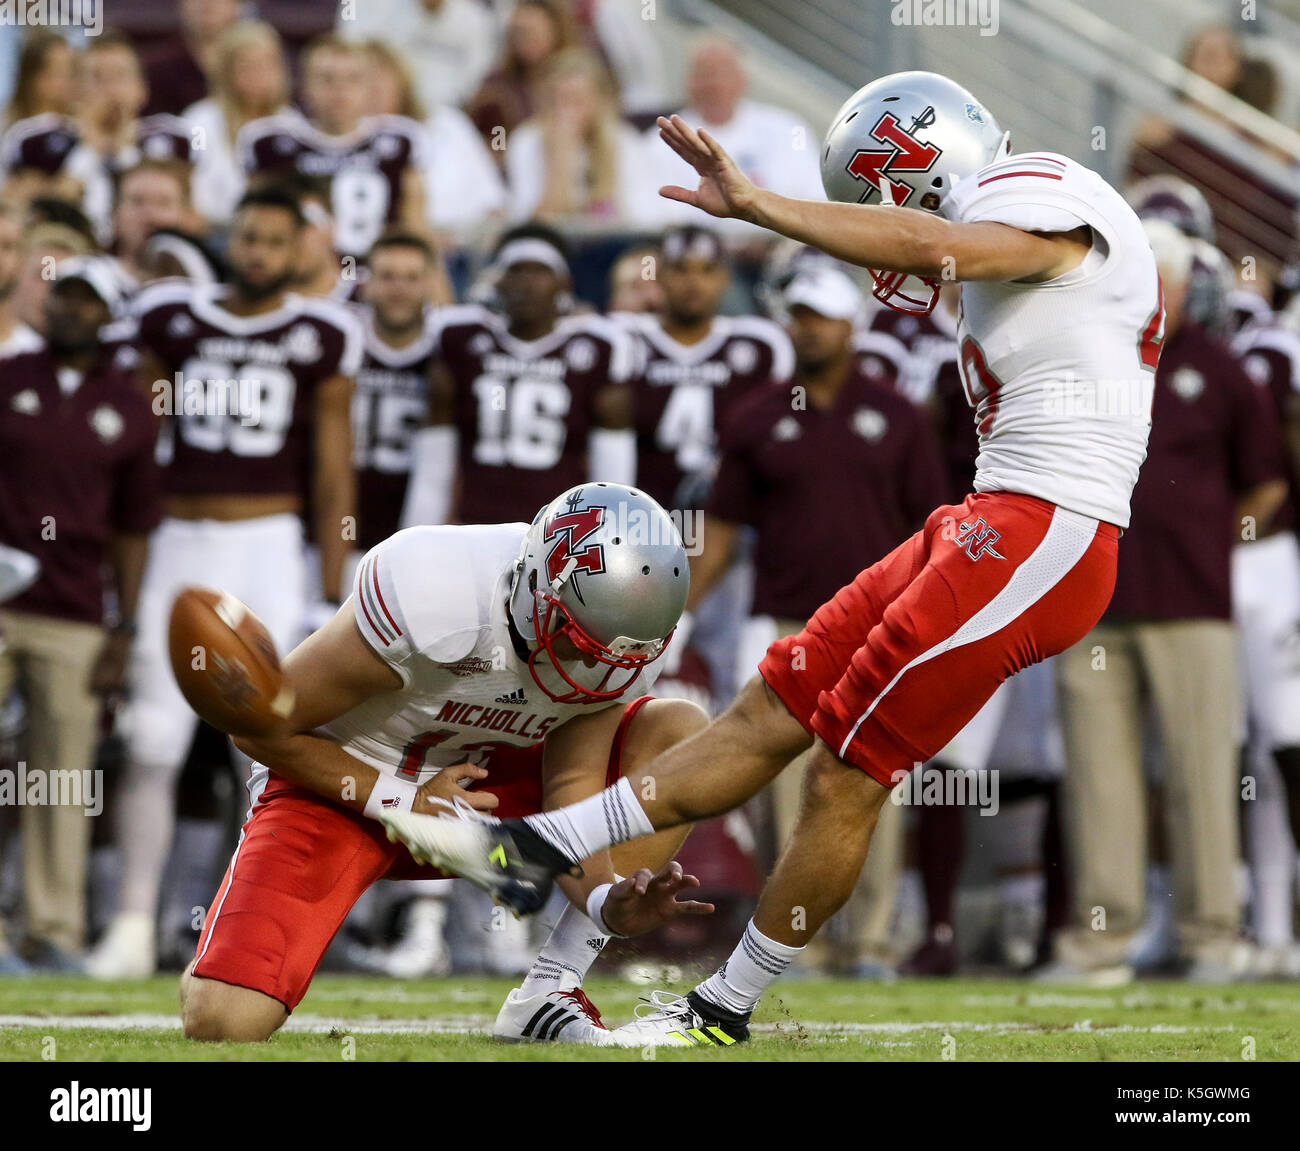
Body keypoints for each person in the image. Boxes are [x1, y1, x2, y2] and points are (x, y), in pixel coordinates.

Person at [382, 70, 1164, 1045]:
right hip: (984, 518)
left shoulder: (1031, 195)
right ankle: (543, 901)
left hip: (1043, 530)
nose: (868, 225)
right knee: (770, 704)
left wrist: (762, 205)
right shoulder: (1020, 203)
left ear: (922, 167)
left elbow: (932, 241)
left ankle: (720, 1006)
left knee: (848, 769)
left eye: (872, 195)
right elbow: (932, 242)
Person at [180, 483, 710, 1044]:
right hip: (339, 787)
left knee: (678, 736)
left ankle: (551, 988)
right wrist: (400, 798)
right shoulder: (434, 589)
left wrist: (606, 903)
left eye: (614, 651)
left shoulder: (616, 646)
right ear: (537, 587)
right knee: (224, 1022)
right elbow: (259, 727)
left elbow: (572, 784)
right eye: (579, 639)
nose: (592, 666)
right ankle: (225, 951)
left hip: (479, 791)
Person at [85, 187, 363, 979]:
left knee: (269, 745)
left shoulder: (322, 331)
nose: (257, 253)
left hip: (270, 541)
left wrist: (326, 582)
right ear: (227, 238)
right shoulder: (173, 315)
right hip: (177, 534)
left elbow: (332, 469)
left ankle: (252, 933)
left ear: (301, 248)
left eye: (274, 240)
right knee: (152, 737)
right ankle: (136, 921)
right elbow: (136, 444)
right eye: (247, 236)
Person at [1046, 219, 1286, 984]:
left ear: (1183, 289)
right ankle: (1102, 940)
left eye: (1158, 281)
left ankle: (1211, 934)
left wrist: (1217, 540)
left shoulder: (1218, 369)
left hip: (1190, 602)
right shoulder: (1081, 359)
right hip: (1092, 605)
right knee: (1099, 777)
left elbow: (1267, 476)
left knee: (1201, 774)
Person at [0, 258, 160, 973]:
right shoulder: (8, 377)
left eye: (86, 299)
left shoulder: (128, 408)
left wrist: (122, 626)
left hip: (73, 610)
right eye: (63, 294)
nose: (70, 309)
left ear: (109, 315)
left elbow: (134, 527)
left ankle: (53, 928)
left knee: (62, 775)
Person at [401, 224, 635, 527]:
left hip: (558, 538)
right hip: (475, 531)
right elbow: (432, 474)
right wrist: (415, 542)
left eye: (539, 272)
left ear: (563, 284)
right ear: (498, 282)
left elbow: (613, 485)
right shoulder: (461, 340)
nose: (526, 284)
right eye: (516, 271)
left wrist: (608, 540)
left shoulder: (597, 348)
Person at [237, 35, 431, 258]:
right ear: (306, 86)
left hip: (378, 278)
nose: (340, 89)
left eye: (352, 79)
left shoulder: (401, 140)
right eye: (327, 79)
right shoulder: (269, 142)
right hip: (300, 278)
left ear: (369, 88)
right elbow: (252, 227)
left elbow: (416, 228)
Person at [646, 36, 824, 241]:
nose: (715, 84)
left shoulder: (788, 127)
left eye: (724, 73)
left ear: (743, 79)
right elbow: (657, 215)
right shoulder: (664, 138)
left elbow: (814, 198)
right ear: (689, 82)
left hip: (782, 247)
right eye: (704, 74)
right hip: (702, 256)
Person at [505, 49, 650, 225]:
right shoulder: (527, 140)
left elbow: (642, 215)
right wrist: (560, 164)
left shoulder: (624, 140)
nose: (564, 111)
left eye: (576, 100)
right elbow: (529, 223)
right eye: (555, 100)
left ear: (599, 101)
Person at [181, 21, 292, 227]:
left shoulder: (291, 125)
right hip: (211, 230)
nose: (258, 75)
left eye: (266, 65)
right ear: (226, 72)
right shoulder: (200, 120)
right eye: (247, 66)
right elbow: (192, 193)